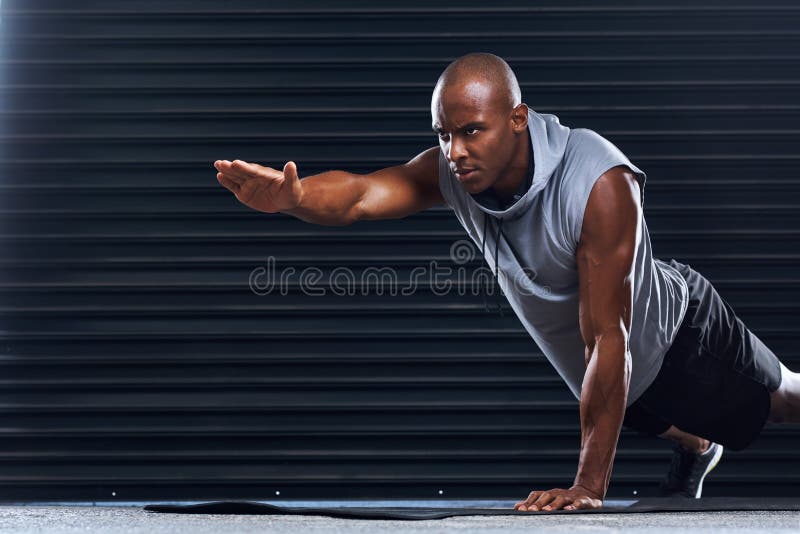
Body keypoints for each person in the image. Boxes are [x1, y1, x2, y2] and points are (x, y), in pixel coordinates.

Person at [213, 52, 800, 512]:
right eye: (444, 134)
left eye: (471, 131)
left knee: (783, 404)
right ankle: (697, 447)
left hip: (682, 341)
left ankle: (708, 436)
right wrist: (295, 197)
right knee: (625, 400)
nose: (455, 151)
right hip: (611, 378)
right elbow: (364, 195)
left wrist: (587, 487)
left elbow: (609, 338)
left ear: (518, 119)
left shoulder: (597, 181)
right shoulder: (453, 170)